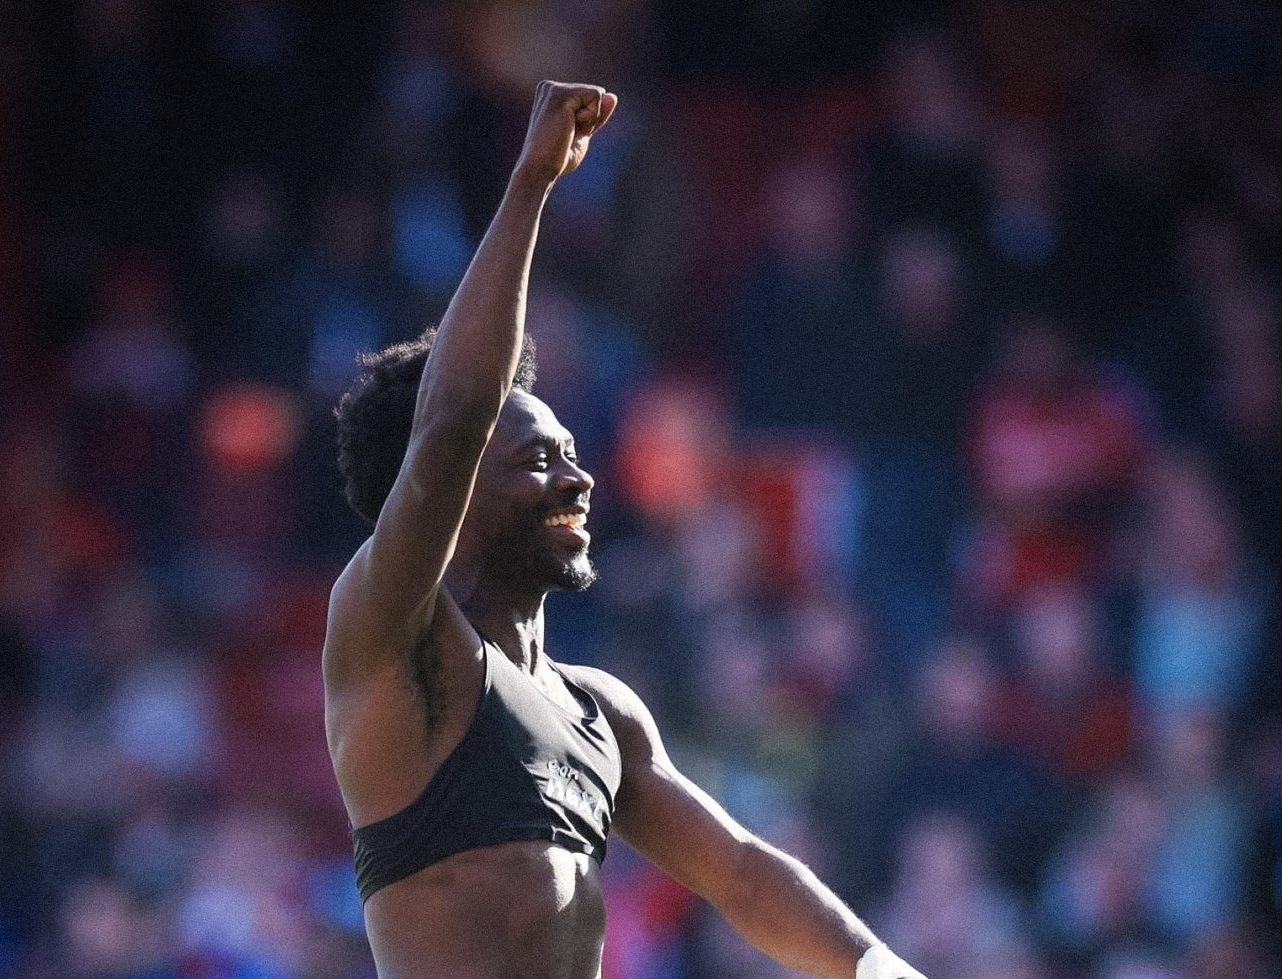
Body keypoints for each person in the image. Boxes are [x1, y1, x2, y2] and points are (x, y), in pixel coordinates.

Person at [325, 80, 927, 979]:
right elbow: (452, 420)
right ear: (448, 495)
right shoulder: (393, 639)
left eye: (571, 450)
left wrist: (882, 970)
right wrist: (532, 184)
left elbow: (742, 875)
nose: (579, 476)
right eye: (537, 460)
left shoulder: (600, 711)